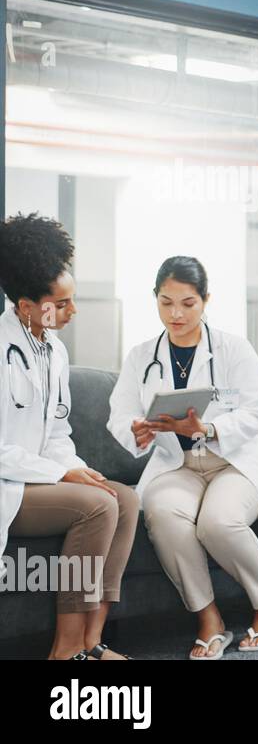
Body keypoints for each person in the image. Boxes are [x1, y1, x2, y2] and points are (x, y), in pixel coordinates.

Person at [107, 256, 258, 659]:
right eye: (166, 302)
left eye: (187, 303)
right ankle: (208, 618)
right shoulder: (140, 357)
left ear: (205, 301)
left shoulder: (233, 349)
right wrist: (136, 428)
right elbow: (120, 413)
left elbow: (256, 411)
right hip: (176, 466)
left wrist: (208, 430)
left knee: (218, 523)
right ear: (155, 300)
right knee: (164, 514)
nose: (176, 313)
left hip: (232, 463)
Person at [0, 213, 138, 660]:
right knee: (97, 505)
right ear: (25, 306)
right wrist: (61, 473)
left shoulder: (53, 351)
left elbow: (58, 430)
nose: (72, 311)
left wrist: (73, 468)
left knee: (125, 498)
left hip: (39, 479)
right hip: (8, 485)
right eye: (60, 304)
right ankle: (65, 652)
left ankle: (92, 642)